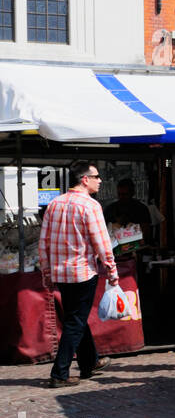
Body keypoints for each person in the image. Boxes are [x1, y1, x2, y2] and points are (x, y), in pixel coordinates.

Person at [37, 160, 119, 388]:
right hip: (82, 272)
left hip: (62, 273)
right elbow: (102, 243)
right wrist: (112, 269)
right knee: (75, 320)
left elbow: (43, 243)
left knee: (76, 316)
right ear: (85, 179)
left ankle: (89, 362)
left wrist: (47, 272)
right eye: (97, 176)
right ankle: (60, 373)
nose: (100, 180)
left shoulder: (54, 204)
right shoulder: (90, 206)